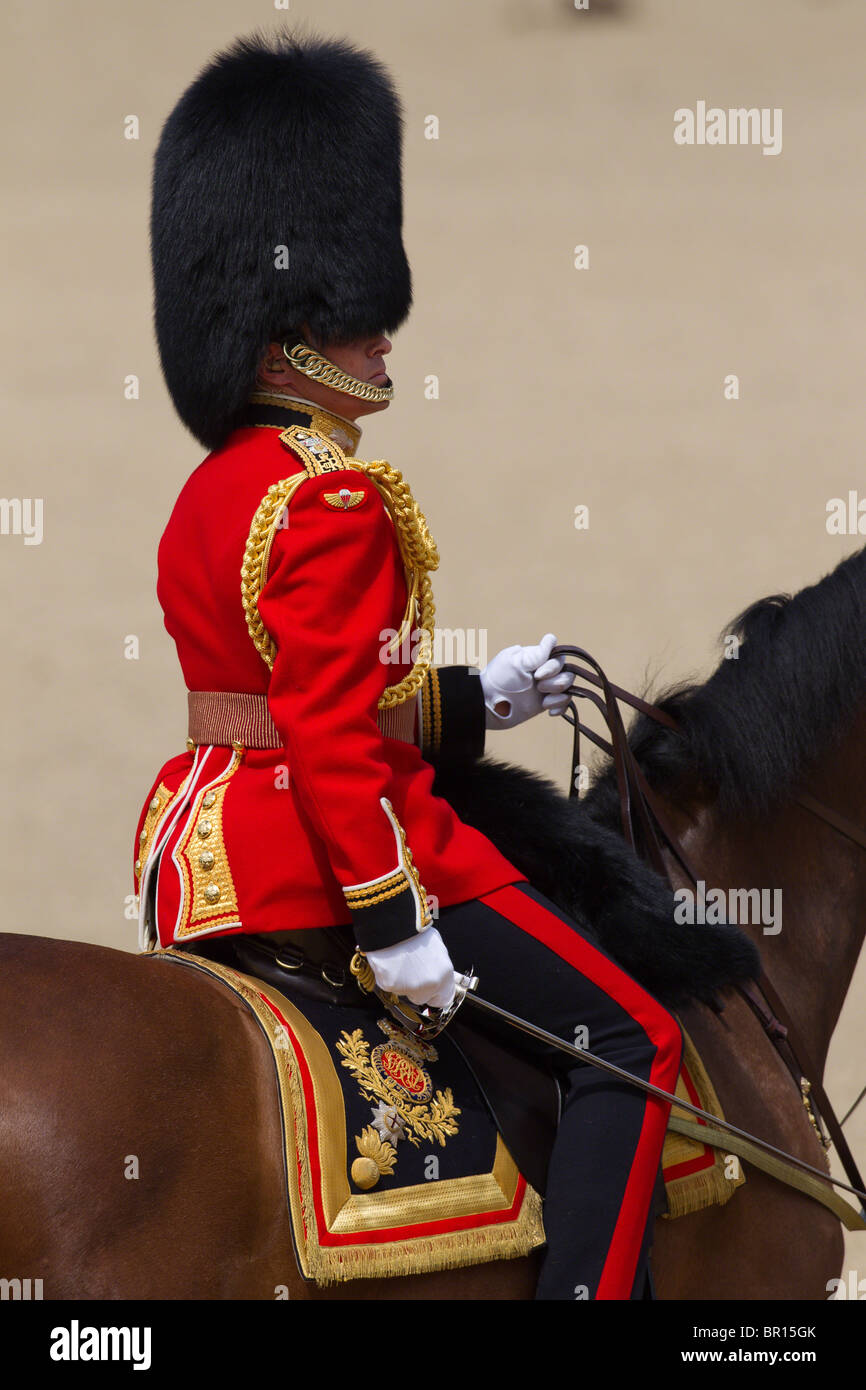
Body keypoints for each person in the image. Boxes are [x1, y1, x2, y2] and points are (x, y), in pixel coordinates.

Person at [136, 29, 683, 1300]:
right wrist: (396, 931)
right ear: (292, 334)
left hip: (205, 841)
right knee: (633, 1034)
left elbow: (278, 696)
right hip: (333, 848)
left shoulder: (213, 489)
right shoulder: (331, 497)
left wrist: (473, 698)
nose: (383, 343)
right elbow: (328, 741)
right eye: (357, 323)